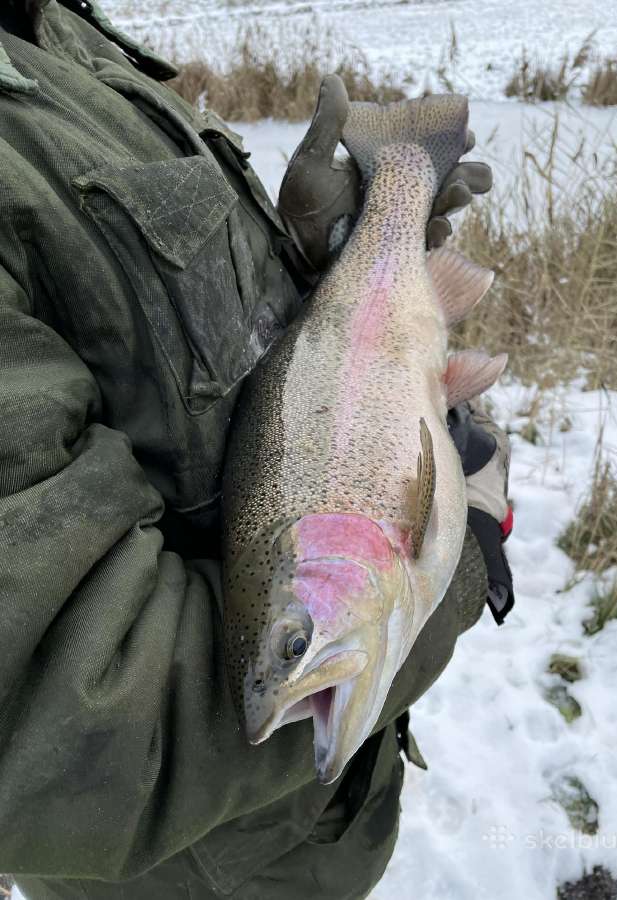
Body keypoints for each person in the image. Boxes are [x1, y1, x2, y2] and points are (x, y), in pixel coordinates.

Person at [0, 2, 513, 898]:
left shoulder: (52, 30)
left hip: (316, 830)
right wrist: (457, 546)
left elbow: (149, 350)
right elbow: (57, 715)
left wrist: (322, 267)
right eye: (292, 644)